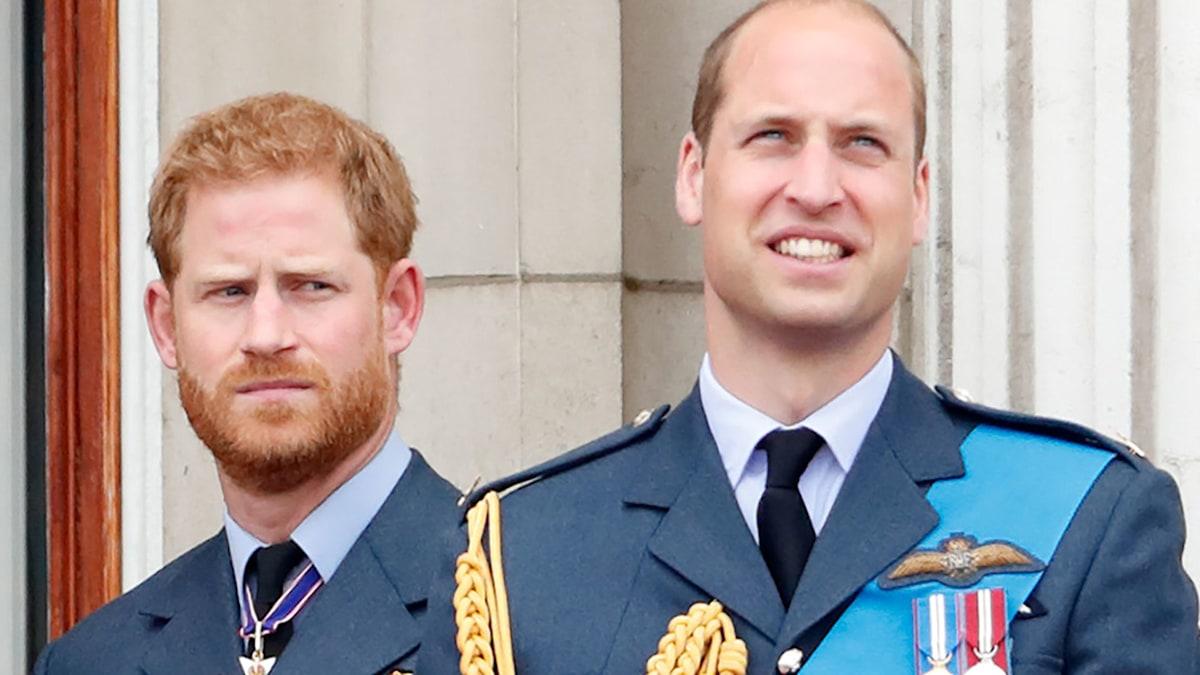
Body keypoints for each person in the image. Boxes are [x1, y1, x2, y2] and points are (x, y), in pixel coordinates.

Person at [421, 1, 1199, 673]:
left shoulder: (1090, 521)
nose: (818, 188)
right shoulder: (520, 556)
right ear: (693, 175)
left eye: (863, 143)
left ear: (919, 196)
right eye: (773, 135)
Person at [35, 92, 460, 675]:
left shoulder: (521, 610)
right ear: (166, 327)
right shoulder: (91, 663)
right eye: (229, 291)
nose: (266, 335)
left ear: (398, 308)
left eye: (310, 286)